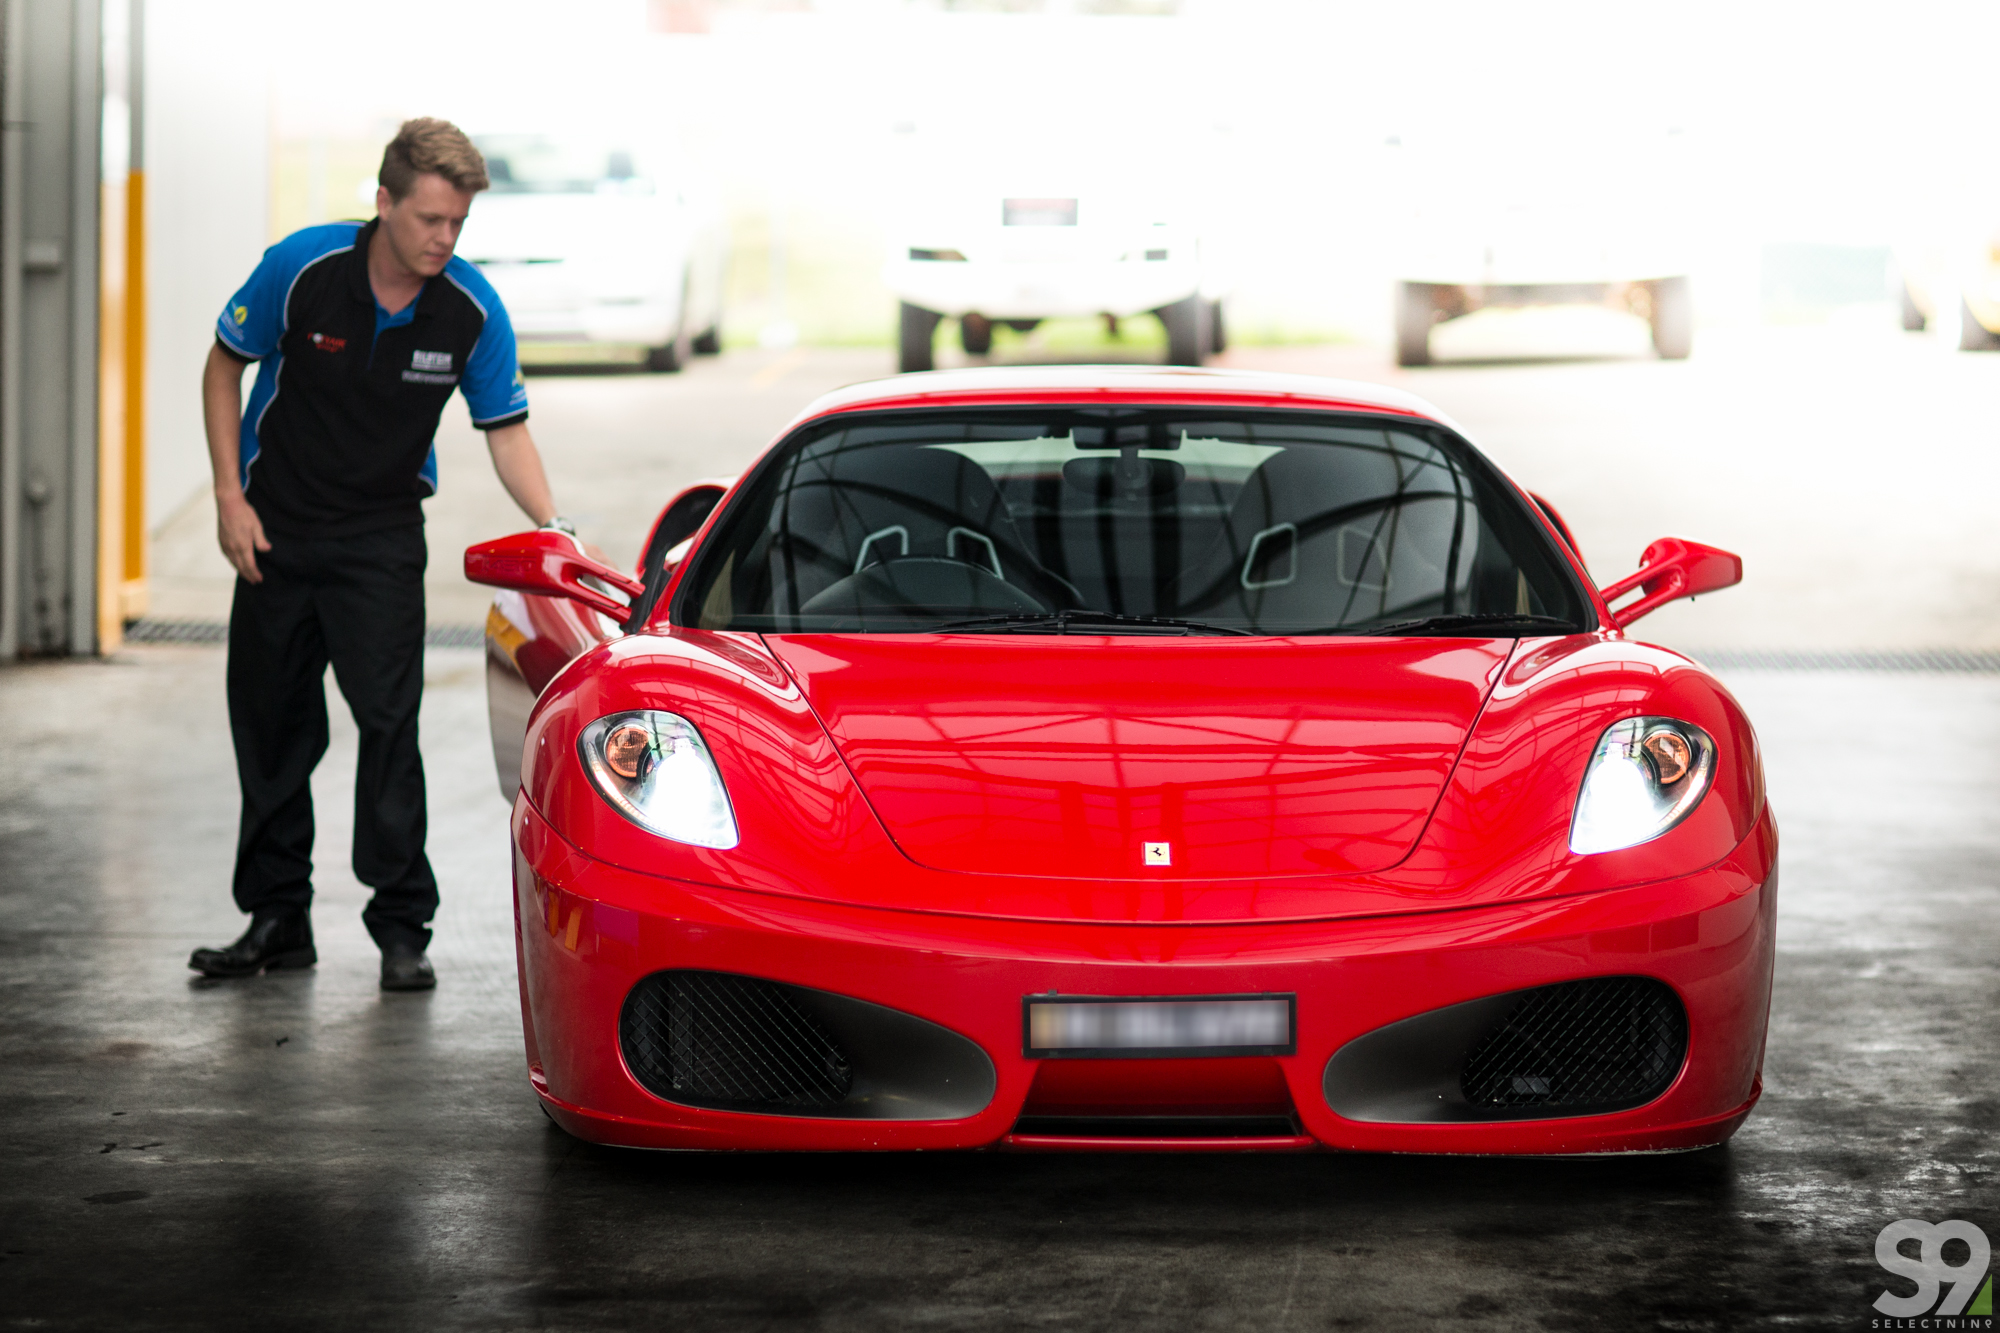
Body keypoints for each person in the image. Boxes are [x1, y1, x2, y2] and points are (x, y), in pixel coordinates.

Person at [189, 118, 575, 991]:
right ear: (385, 202)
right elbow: (224, 366)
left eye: (458, 224)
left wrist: (556, 523)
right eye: (431, 219)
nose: (445, 239)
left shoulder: (471, 309)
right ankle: (278, 918)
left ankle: (402, 926)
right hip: (276, 533)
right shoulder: (304, 268)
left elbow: (505, 432)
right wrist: (227, 496)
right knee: (274, 730)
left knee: (390, 731)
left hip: (382, 539)